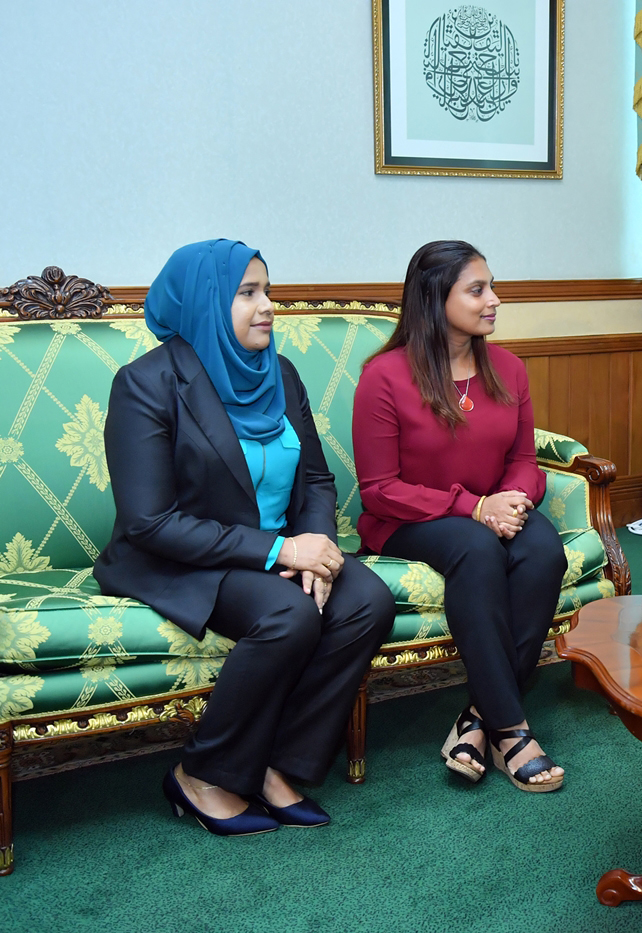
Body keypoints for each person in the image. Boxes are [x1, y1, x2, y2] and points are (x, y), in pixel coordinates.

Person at [96, 239, 396, 836]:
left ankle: (274, 763)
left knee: (367, 601)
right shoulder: (147, 384)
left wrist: (313, 548)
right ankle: (199, 773)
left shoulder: (279, 372)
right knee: (289, 615)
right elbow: (149, 522)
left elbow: (314, 477)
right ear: (205, 302)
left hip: (278, 543)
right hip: (181, 556)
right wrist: (281, 551)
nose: (268, 307)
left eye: (268, 291)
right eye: (247, 293)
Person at [352, 240, 567, 793]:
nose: (494, 299)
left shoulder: (510, 371)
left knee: (544, 550)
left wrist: (514, 499)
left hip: (495, 508)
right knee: (475, 549)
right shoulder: (385, 375)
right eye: (478, 289)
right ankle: (512, 730)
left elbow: (524, 461)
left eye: (492, 286)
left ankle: (475, 719)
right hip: (411, 517)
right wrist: (474, 507)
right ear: (434, 297)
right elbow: (379, 489)